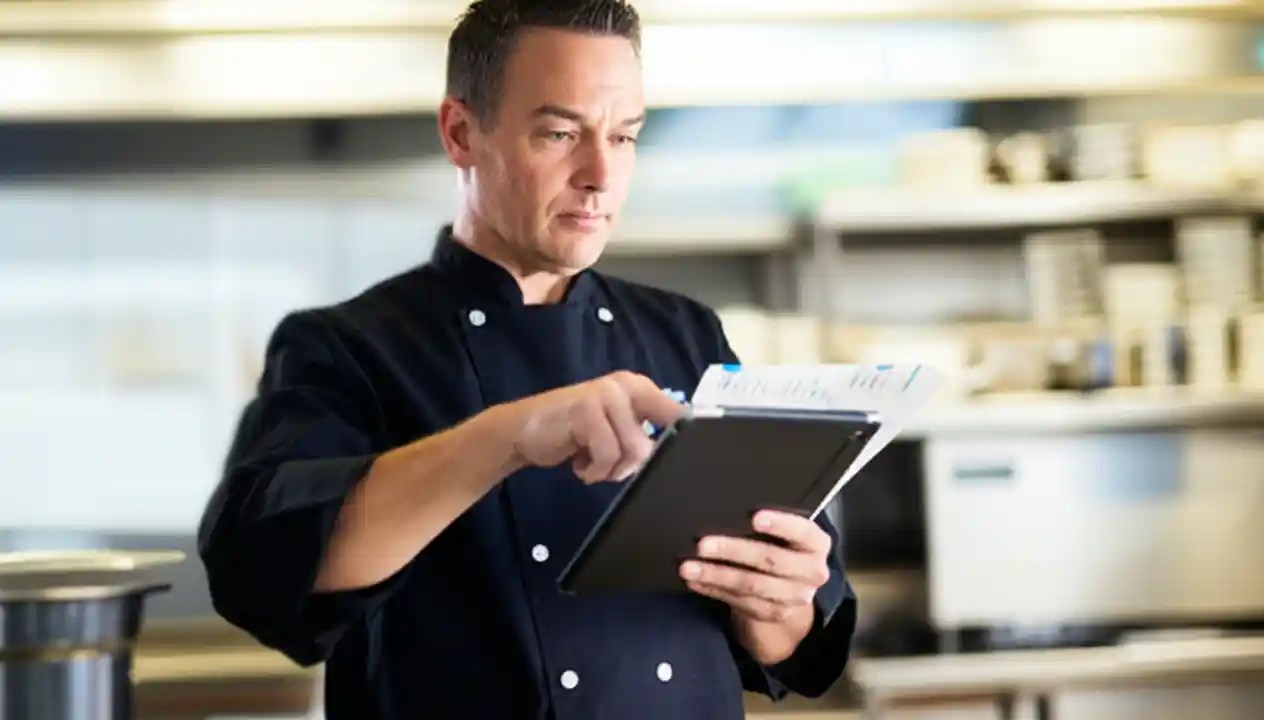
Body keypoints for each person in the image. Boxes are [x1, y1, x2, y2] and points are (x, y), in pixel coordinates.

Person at [197, 1, 858, 718]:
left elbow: (796, 643)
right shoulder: (351, 349)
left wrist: (775, 606)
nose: (600, 174)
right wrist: (510, 434)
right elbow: (265, 569)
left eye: (624, 136)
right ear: (460, 133)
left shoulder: (687, 334)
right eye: (560, 132)